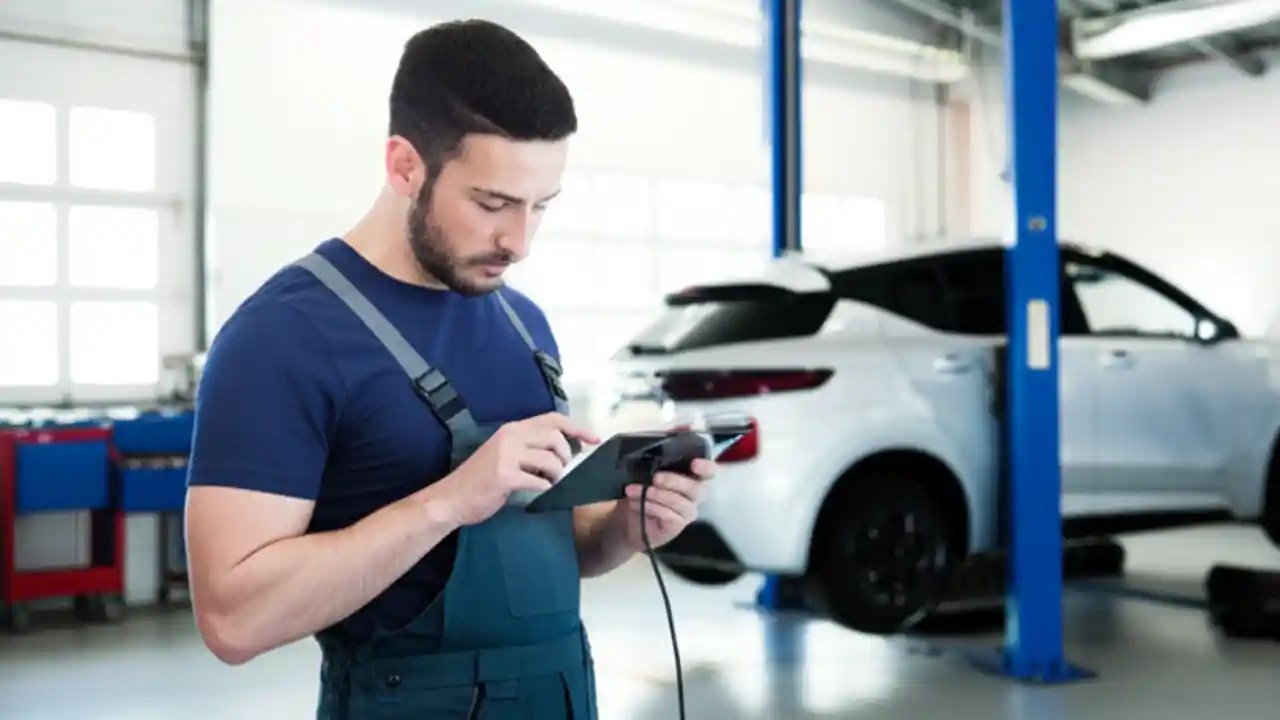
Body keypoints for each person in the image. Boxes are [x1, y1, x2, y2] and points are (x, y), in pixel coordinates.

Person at [183, 18, 717, 719]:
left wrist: (624, 529)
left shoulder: (524, 324)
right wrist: (448, 502)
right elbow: (232, 619)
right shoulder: (281, 338)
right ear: (405, 165)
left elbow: (546, 553)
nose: (518, 241)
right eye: (492, 204)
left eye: (539, 208)